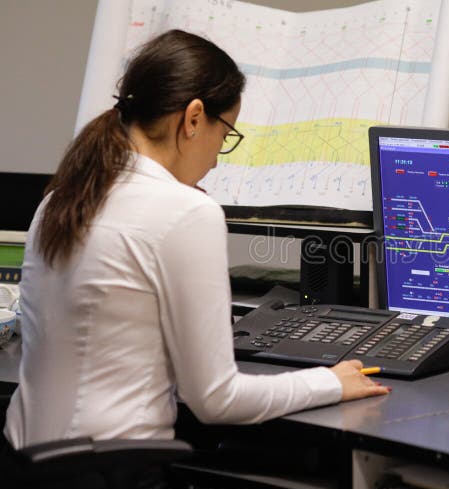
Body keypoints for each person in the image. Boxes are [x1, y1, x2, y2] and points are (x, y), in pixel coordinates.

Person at [3, 30, 389, 453]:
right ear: (193, 118)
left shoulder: (63, 198)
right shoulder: (185, 210)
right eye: (224, 136)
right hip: (111, 473)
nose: (216, 159)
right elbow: (217, 400)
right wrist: (330, 381)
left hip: (24, 465)